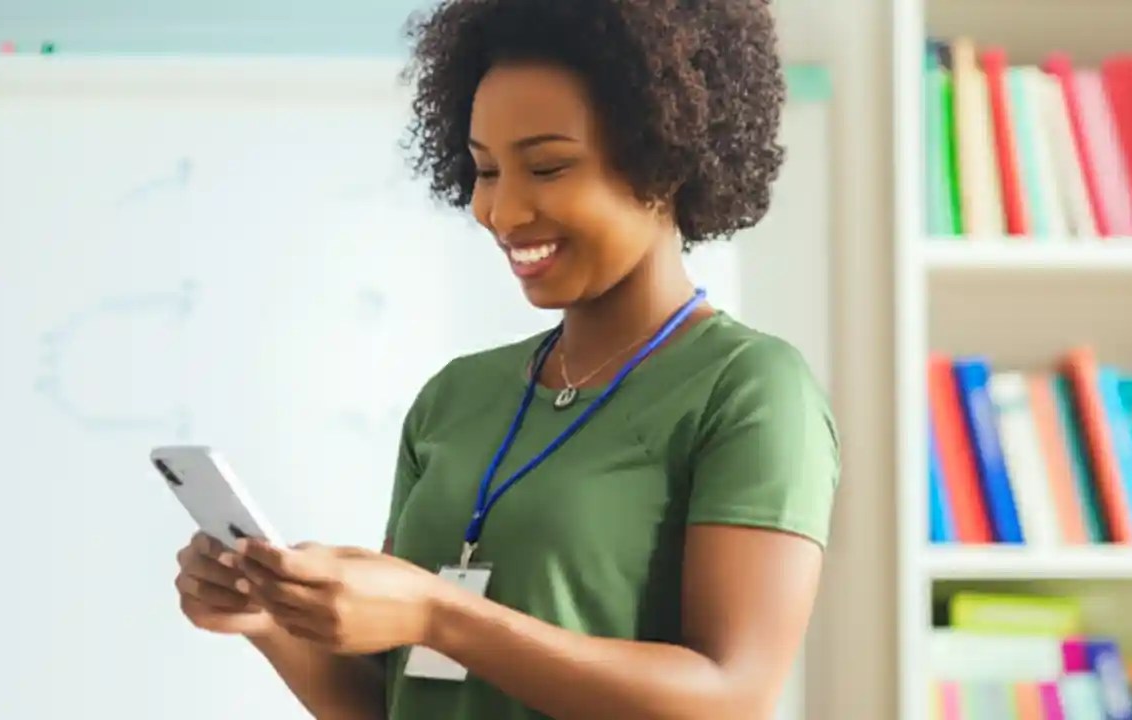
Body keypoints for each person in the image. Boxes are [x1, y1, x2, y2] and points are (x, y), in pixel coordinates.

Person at [172, 0, 841, 718]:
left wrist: (439, 614)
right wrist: (272, 618)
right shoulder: (455, 399)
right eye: (485, 171)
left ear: (667, 159)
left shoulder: (751, 390)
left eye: (547, 167)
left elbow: (732, 697)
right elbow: (396, 701)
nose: (502, 210)